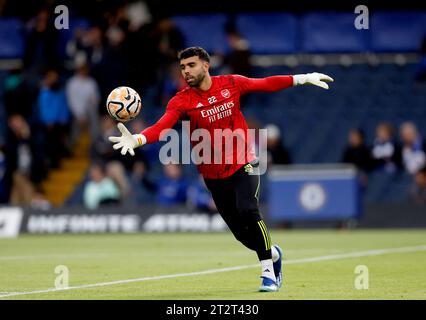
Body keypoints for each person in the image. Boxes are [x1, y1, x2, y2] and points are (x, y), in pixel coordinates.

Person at [108, 46, 333, 292]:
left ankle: (268, 270)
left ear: (206, 65)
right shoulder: (181, 100)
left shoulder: (231, 83)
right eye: (183, 67)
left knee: (248, 210)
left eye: (191, 65)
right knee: (240, 233)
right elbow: (162, 126)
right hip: (213, 174)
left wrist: (303, 78)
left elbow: (266, 83)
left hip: (243, 161)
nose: (186, 71)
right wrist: (137, 139)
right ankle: (274, 253)